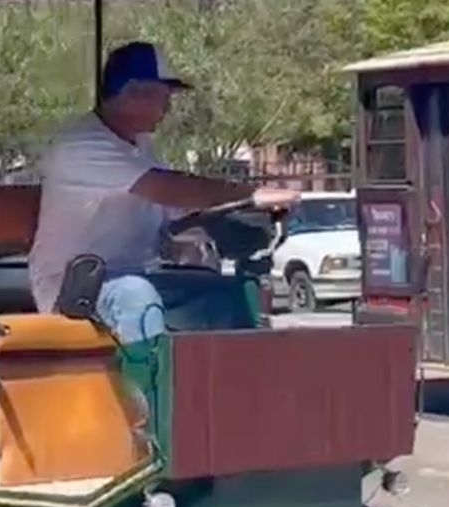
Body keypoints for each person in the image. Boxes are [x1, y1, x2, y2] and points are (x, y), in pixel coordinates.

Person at [27, 41, 300, 343]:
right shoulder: (84, 146)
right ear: (133, 93)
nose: (168, 108)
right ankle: (151, 375)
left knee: (227, 295)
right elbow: (171, 189)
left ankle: (239, 373)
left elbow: (176, 208)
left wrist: (227, 219)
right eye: (163, 97)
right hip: (76, 288)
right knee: (137, 297)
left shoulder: (139, 144)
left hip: (134, 274)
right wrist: (254, 194)